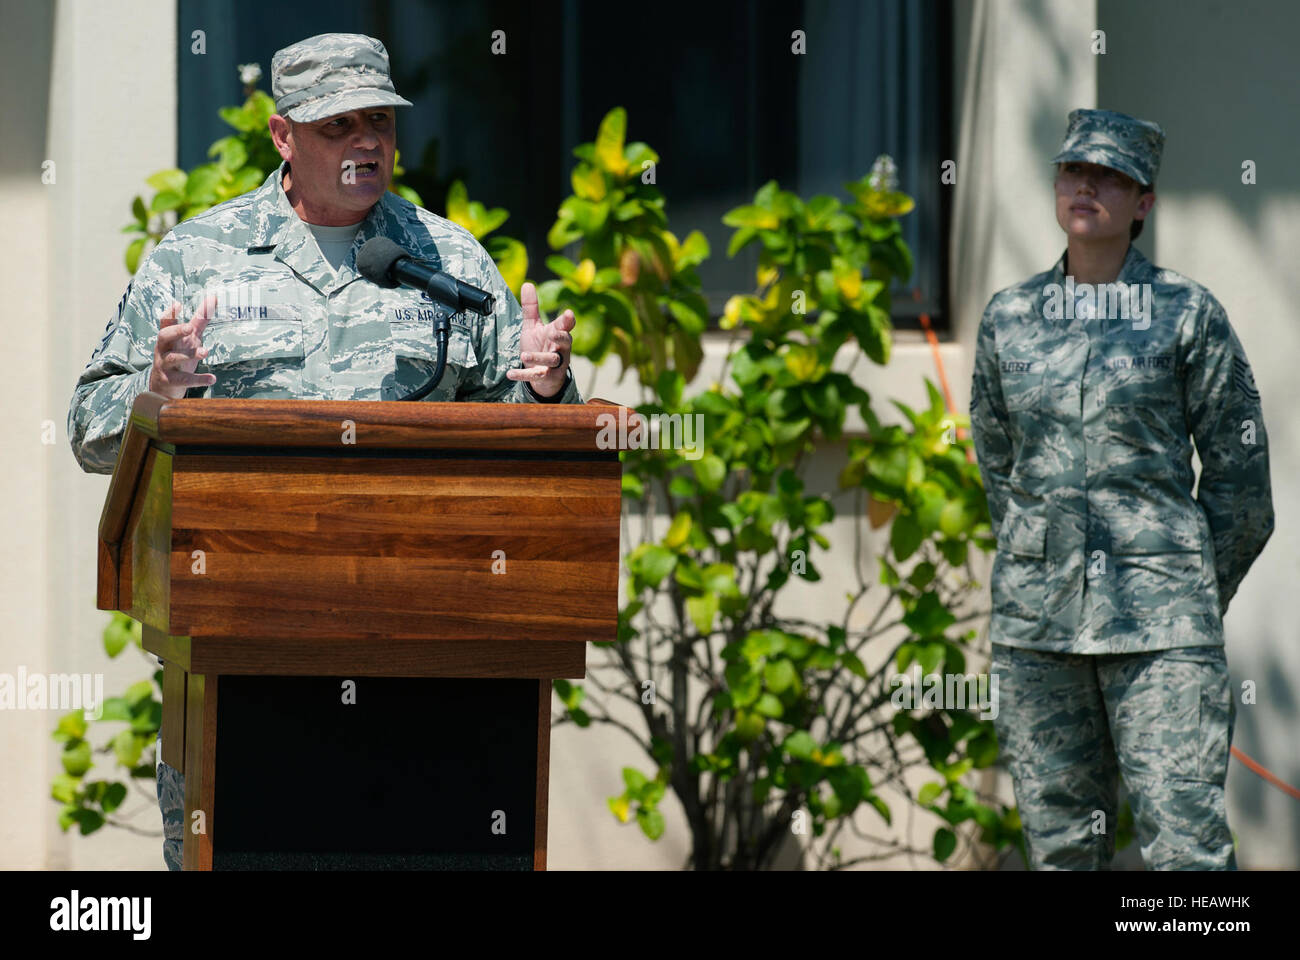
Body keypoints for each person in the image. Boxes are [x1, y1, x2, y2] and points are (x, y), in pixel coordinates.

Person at [67, 33, 583, 870]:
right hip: (245, 659)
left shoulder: (449, 260)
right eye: (339, 125)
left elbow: (522, 440)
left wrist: (547, 387)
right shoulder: (197, 258)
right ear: (282, 136)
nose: (367, 142)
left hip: (434, 672)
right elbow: (89, 422)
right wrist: (157, 397)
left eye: (378, 120)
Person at [969, 108, 1274, 870]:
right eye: (1075, 170)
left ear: (1144, 203)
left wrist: (1183, 583)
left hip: (1163, 634)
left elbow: (1242, 486)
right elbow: (999, 465)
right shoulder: (1009, 318)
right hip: (1039, 635)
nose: (1087, 186)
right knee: (1062, 849)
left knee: (1185, 855)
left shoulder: (1186, 315)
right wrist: (1048, 563)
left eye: (1111, 176)